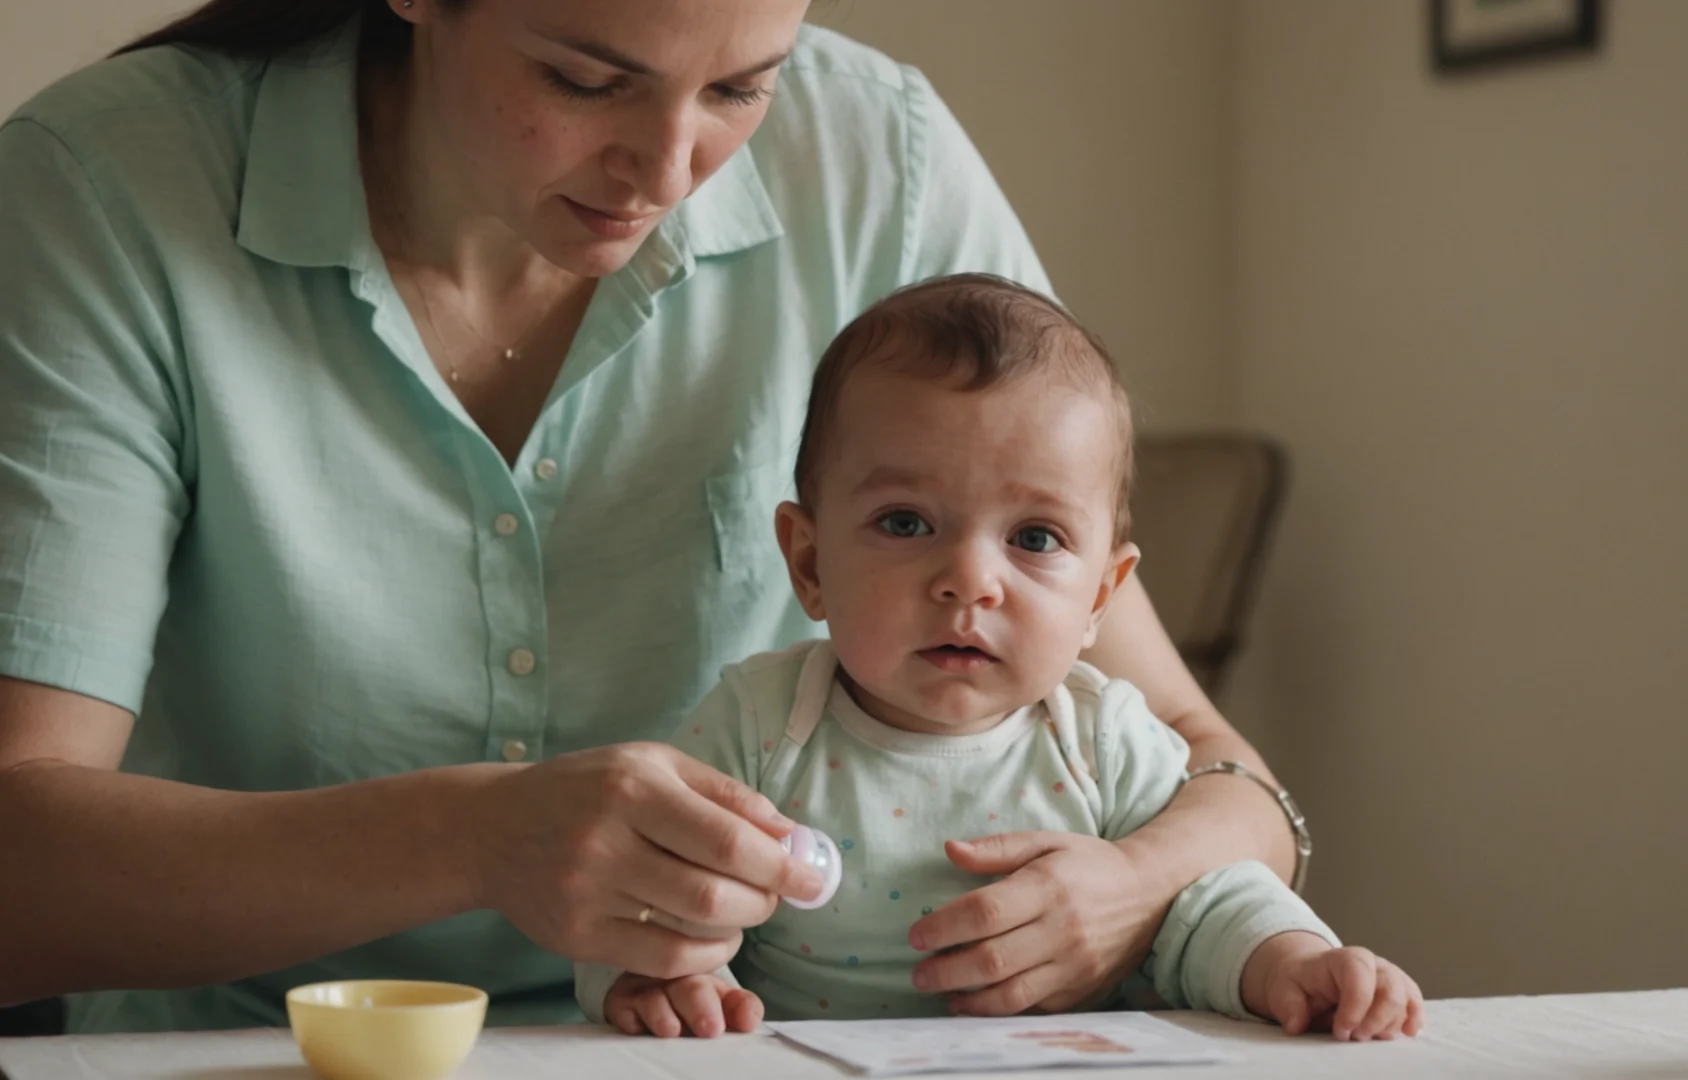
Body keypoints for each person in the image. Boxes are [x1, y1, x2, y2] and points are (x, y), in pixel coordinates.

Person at [0, 0, 1310, 1034]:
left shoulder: (877, 162)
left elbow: (1217, 771)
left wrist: (1136, 893)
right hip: (261, 1050)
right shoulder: (107, 192)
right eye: (584, 78)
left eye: (743, 86)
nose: (670, 166)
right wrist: (475, 838)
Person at [575, 275, 1423, 1041]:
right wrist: (663, 973)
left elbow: (1210, 907)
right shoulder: (757, 728)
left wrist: (1293, 963)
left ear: (1100, 595)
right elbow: (646, 889)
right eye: (906, 523)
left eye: (1034, 538)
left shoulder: (1101, 740)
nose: (969, 582)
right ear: (809, 562)